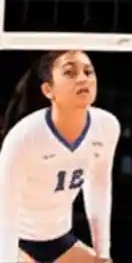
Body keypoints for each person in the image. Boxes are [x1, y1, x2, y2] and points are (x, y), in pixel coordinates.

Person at [0, 50, 119, 263]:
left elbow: (98, 188)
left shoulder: (106, 126)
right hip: (14, 238)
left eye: (88, 72)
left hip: (59, 238)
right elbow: (5, 210)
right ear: (48, 90)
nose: (83, 78)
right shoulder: (25, 137)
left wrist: (103, 253)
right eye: (70, 72)